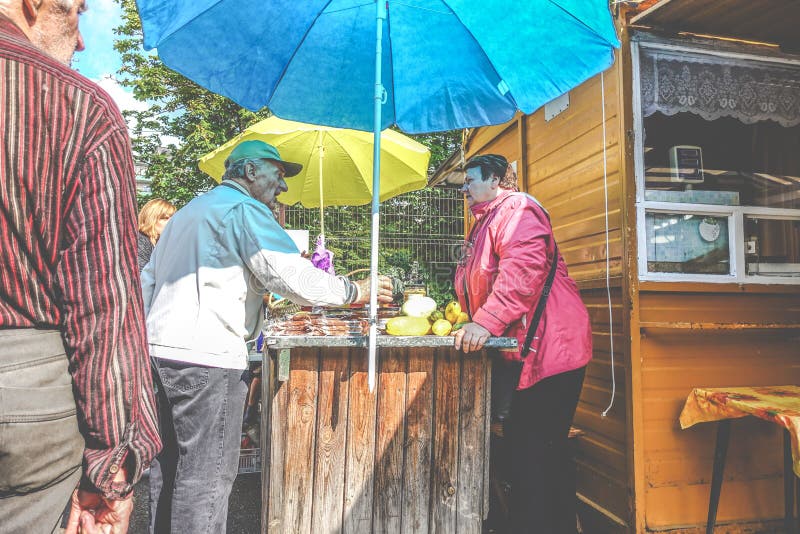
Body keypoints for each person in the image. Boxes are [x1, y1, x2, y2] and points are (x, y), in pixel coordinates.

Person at [142, 139, 393, 533]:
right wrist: (353, 291)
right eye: (278, 174)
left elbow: (149, 280)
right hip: (209, 358)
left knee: (167, 468)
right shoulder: (244, 209)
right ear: (250, 171)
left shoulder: (189, 213)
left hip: (158, 353)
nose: (284, 186)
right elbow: (288, 273)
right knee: (207, 478)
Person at [0, 1, 162, 533]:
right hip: (22, 392)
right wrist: (113, 469)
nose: (84, 41)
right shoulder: (79, 108)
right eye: (77, 11)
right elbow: (104, 305)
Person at [452, 154, 592, 533]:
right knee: (538, 451)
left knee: (533, 454)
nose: (464, 188)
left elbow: (522, 271)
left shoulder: (518, 209)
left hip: (552, 348)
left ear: (496, 180)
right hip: (528, 348)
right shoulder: (486, 221)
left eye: (470, 181)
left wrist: (485, 322)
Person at [137, 198, 177, 271]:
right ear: (151, 219)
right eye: (165, 218)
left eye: (173, 219)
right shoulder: (139, 241)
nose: (171, 222)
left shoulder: (162, 243)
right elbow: (142, 277)